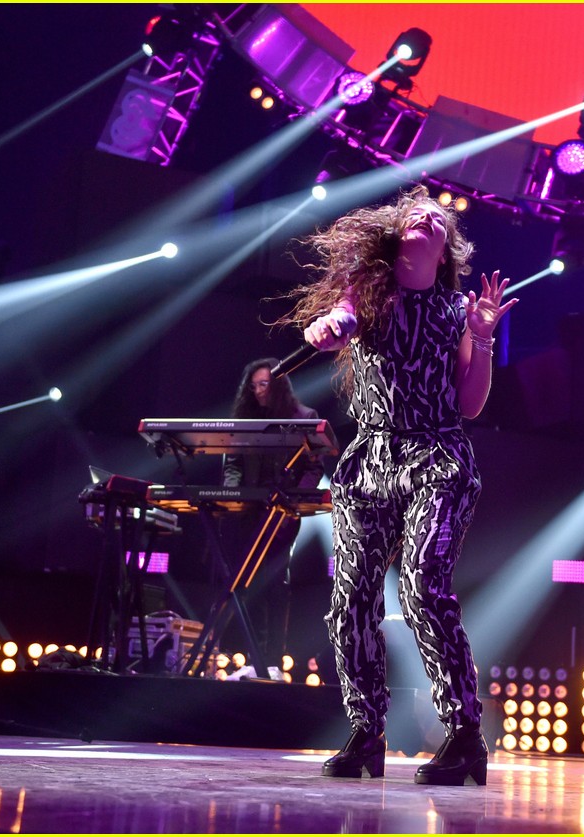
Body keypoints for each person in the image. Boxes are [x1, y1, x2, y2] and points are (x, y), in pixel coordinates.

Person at [280, 186, 516, 786]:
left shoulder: (458, 309)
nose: (425, 215)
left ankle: (464, 736)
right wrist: (327, 327)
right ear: (398, 238)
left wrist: (483, 337)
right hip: (371, 458)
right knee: (350, 599)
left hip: (437, 454)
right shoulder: (369, 291)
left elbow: (468, 404)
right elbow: (341, 322)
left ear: (444, 253)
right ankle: (367, 734)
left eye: (438, 218)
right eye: (416, 212)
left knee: (421, 587)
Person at [220, 357, 325, 659]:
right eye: (253, 387)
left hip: (283, 511)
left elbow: (314, 467)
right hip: (248, 510)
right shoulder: (246, 418)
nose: (258, 392)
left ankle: (273, 657)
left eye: (263, 384)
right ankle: (250, 656)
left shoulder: (303, 416)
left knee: (276, 582)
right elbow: (233, 465)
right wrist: (232, 496)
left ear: (278, 384)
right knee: (247, 583)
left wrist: (293, 498)